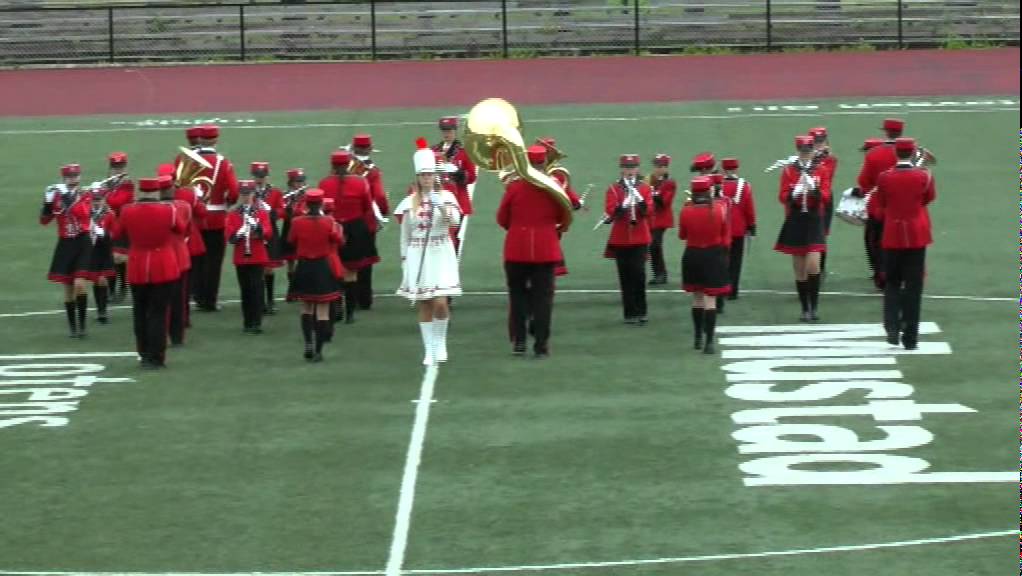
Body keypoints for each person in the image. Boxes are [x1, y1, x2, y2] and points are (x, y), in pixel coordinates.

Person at [394, 139, 463, 366]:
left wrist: (440, 206)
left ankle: (440, 341)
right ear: (418, 177)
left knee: (441, 302)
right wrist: (404, 260)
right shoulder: (409, 202)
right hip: (417, 253)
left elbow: (454, 222)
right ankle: (429, 348)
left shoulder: (447, 197)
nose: (427, 179)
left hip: (441, 251)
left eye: (430, 175)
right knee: (425, 303)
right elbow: (405, 235)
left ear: (435, 176)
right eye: (423, 175)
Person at [497, 145, 570, 358]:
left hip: (516, 248)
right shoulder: (554, 186)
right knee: (543, 299)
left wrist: (517, 227)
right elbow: (563, 216)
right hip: (545, 249)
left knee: (517, 296)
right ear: (544, 162)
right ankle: (541, 345)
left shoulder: (515, 187)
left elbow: (502, 218)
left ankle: (519, 342)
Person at [112, 177, 185, 369]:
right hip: (163, 266)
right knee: (158, 314)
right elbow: (181, 228)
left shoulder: (127, 211)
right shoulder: (168, 210)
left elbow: (116, 233)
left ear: (140, 191)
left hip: (137, 267)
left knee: (140, 312)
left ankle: (143, 353)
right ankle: (156, 356)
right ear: (156, 192)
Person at [872, 138, 936, 350]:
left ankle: (892, 327)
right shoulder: (924, 175)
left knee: (892, 283)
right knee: (913, 288)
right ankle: (910, 338)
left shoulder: (884, 177)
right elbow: (928, 199)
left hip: (892, 236)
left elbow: (881, 203)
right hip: (916, 236)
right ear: (912, 153)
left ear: (896, 153)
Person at [774, 135, 831, 322]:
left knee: (813, 265)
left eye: (809, 151)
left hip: (814, 219)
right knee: (799, 269)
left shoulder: (821, 169)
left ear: (813, 150)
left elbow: (826, 196)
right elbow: (782, 196)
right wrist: (793, 193)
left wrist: (815, 191)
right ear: (798, 151)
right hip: (796, 219)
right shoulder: (789, 170)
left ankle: (814, 307)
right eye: (803, 151)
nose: (806, 154)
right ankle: (805, 308)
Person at [320, 150, 377, 324]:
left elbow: (321, 208)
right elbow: (367, 206)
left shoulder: (324, 183)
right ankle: (350, 313)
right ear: (348, 164)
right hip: (355, 228)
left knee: (334, 270)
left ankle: (337, 308)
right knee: (352, 271)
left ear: (332, 165)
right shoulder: (360, 182)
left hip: (333, 227)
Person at [287, 189, 344, 362]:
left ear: (306, 203)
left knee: (306, 308)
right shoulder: (329, 221)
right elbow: (339, 241)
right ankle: (319, 351)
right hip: (322, 268)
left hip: (304, 267)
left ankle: (308, 344)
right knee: (323, 311)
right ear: (320, 204)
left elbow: (291, 240)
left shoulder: (297, 221)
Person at [190, 124, 239, 312]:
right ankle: (209, 300)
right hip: (217, 217)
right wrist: (227, 203)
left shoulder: (187, 161)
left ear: (200, 139)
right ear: (216, 140)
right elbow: (234, 191)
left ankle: (196, 294)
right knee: (214, 260)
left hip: (194, 217)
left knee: (196, 258)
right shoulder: (223, 163)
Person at [679, 176, 731, 354]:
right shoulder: (719, 209)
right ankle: (709, 342)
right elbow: (724, 234)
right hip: (713, 256)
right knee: (711, 300)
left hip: (693, 255)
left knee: (697, 298)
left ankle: (697, 338)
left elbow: (682, 235)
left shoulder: (686, 211)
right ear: (709, 191)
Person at [41, 164, 93, 338]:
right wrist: (48, 203)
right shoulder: (57, 196)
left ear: (79, 177)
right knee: (68, 288)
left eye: (75, 176)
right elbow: (44, 220)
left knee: (80, 284)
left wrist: (67, 197)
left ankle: (83, 325)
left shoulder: (85, 194)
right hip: (65, 244)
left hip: (82, 241)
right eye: (69, 177)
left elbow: (83, 214)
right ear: (64, 178)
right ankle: (73, 327)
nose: (73, 179)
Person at [602, 154, 653, 325]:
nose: (630, 171)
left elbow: (649, 211)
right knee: (625, 277)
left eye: (633, 168)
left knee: (639, 275)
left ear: (637, 169)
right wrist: (623, 205)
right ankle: (629, 313)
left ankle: (642, 311)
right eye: (627, 168)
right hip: (621, 239)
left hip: (640, 238)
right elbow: (610, 211)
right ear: (622, 169)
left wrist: (638, 198)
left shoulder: (644, 188)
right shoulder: (614, 188)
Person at [857, 118, 905, 289]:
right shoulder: (911, 153)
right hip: (903, 208)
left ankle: (881, 275)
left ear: (886, 132)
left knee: (876, 242)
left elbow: (864, 181)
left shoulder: (874, 154)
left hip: (878, 207)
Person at [225, 181, 273, 334]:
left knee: (257, 289)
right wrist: (240, 231)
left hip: (257, 256)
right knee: (245, 290)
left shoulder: (261, 212)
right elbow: (230, 237)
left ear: (253, 194)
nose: (246, 197)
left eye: (248, 194)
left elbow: (268, 233)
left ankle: (256, 322)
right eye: (243, 194)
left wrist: (256, 227)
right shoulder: (233, 214)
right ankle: (247, 322)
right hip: (241, 257)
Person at [351, 134, 389, 310]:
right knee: (365, 261)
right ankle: (364, 298)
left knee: (346, 260)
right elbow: (379, 196)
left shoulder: (344, 167)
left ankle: (347, 297)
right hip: (365, 221)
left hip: (343, 221)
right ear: (370, 149)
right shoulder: (372, 172)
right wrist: (384, 212)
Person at [157, 171, 193, 347]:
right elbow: (187, 231)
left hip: (161, 259)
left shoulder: (155, 209)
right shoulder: (184, 206)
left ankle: (161, 334)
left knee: (161, 301)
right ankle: (177, 337)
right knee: (179, 300)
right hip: (180, 257)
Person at [432, 117, 477, 255]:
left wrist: (460, 174)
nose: (447, 134)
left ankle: (451, 261)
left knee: (453, 236)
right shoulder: (433, 150)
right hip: (438, 198)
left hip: (458, 200)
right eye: (444, 131)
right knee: (438, 234)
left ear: (455, 131)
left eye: (449, 131)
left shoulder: (464, 152)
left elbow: (472, 176)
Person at [719, 158, 756, 300]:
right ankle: (733, 290)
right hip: (738, 229)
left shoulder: (718, 185)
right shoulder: (744, 186)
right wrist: (751, 225)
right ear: (736, 169)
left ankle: (721, 288)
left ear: (723, 170)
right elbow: (749, 209)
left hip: (721, 229)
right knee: (736, 261)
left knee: (722, 259)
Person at [251, 162, 285, 314]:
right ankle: (258, 301)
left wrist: (271, 211)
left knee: (269, 268)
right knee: (256, 268)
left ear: (267, 176)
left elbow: (282, 211)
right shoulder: (248, 192)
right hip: (253, 231)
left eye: (263, 176)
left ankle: (270, 300)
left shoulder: (275, 192)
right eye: (258, 176)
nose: (260, 179)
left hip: (270, 230)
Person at [104, 152, 135, 303]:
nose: (118, 170)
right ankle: (111, 290)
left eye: (120, 167)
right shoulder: (109, 182)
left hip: (123, 224)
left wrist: (104, 194)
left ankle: (123, 285)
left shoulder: (127, 183)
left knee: (119, 257)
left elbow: (118, 202)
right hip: (108, 223)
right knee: (110, 258)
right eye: (115, 167)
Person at [809, 127, 837, 278]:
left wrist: (817, 158)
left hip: (823, 198)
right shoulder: (804, 158)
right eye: (816, 141)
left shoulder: (830, 159)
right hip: (807, 197)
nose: (819, 144)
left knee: (822, 234)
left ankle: (820, 268)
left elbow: (825, 177)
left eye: (821, 141)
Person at [647, 153, 677, 285]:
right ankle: (658, 273)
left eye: (661, 166)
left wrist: (651, 192)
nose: (658, 169)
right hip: (651, 218)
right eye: (657, 166)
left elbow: (664, 202)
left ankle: (661, 274)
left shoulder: (669, 182)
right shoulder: (651, 180)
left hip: (661, 219)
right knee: (653, 245)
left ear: (666, 167)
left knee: (655, 245)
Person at [280, 168, 309, 297]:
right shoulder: (286, 196)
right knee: (290, 261)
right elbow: (283, 213)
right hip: (289, 228)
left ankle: (302, 289)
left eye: (302, 181)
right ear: (291, 182)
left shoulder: (307, 196)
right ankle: (292, 290)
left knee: (303, 260)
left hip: (303, 229)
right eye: (297, 181)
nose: (300, 184)